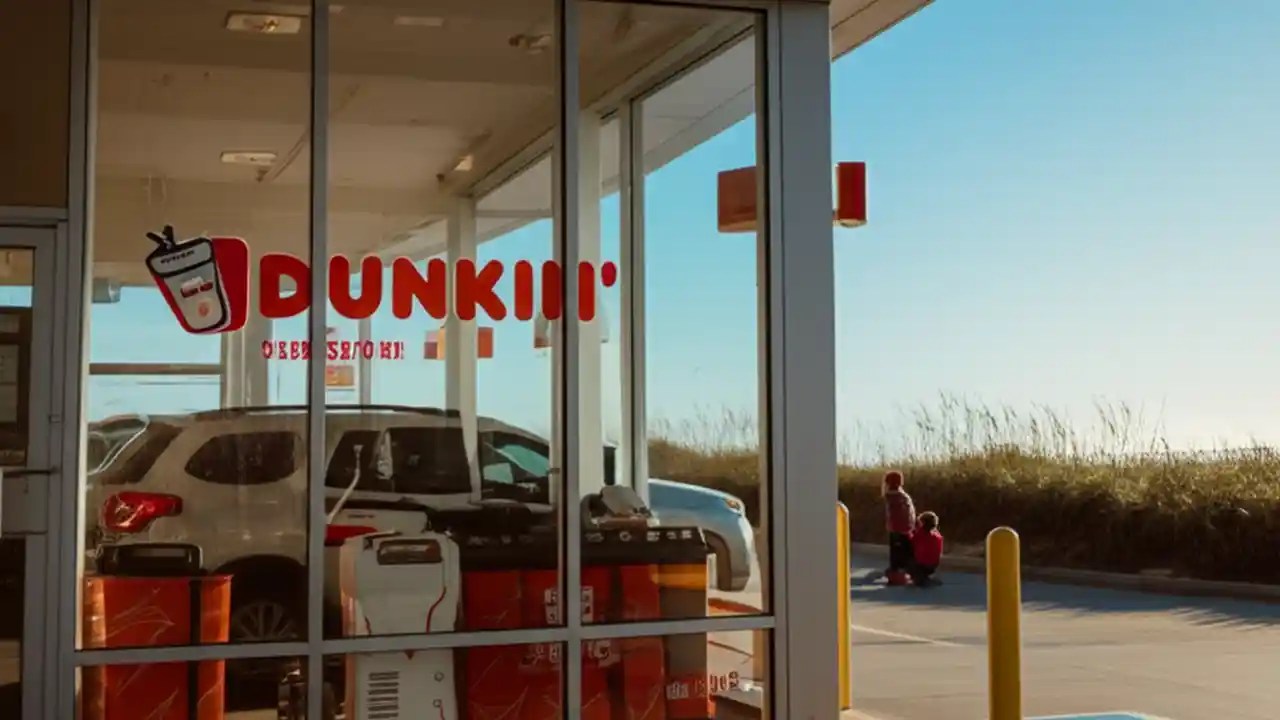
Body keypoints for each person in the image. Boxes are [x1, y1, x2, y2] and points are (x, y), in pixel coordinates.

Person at [882, 470, 916, 585]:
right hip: (905, 528)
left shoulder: (892, 496)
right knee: (905, 552)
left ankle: (896, 574)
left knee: (896, 554)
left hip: (896, 529)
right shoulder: (901, 496)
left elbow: (893, 515)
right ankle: (904, 573)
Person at [911, 511, 944, 587]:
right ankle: (925, 577)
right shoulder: (938, 536)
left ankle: (920, 578)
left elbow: (912, 545)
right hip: (933, 566)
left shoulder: (919, 535)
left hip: (920, 565)